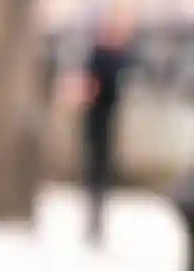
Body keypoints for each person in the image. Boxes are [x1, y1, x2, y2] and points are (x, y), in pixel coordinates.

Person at [78, 12, 132, 243]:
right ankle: (93, 222)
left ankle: (97, 222)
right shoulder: (100, 56)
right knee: (94, 171)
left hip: (106, 121)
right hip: (96, 121)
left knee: (100, 171)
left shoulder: (118, 57)